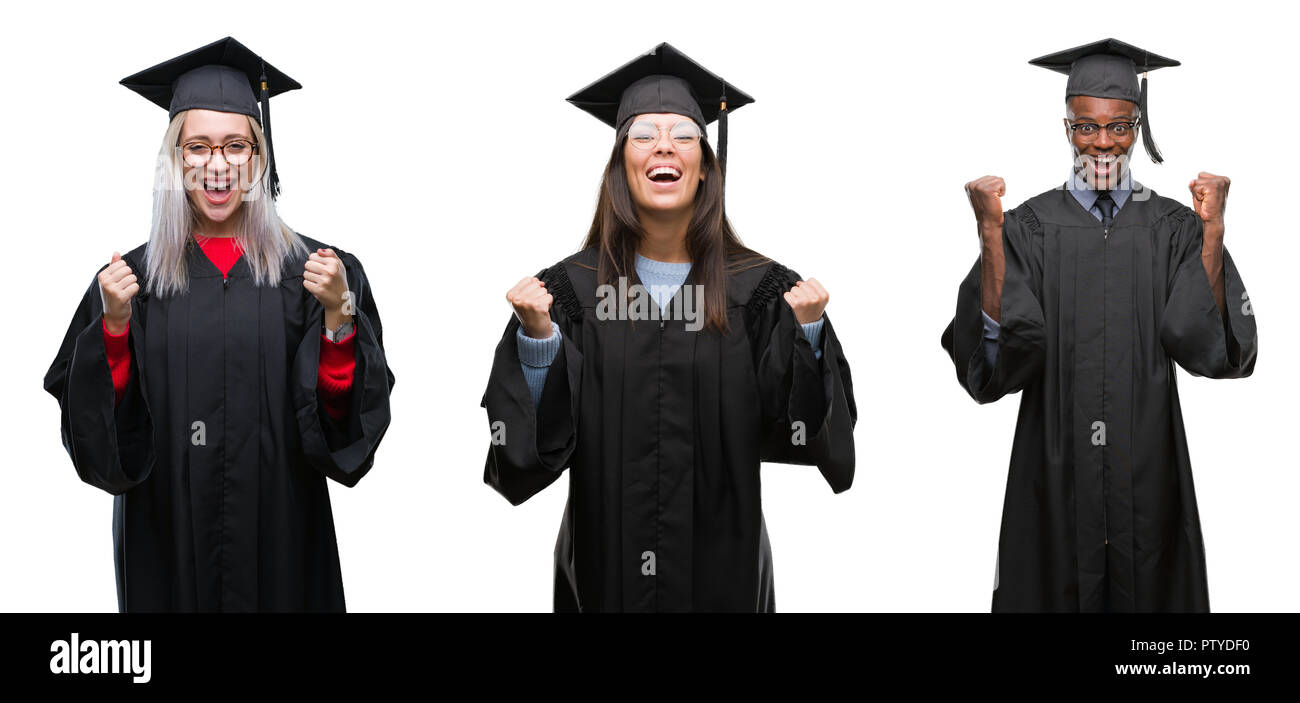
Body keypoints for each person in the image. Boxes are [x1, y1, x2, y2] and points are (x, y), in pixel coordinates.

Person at [482, 43, 857, 612]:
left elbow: (802, 436)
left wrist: (805, 334)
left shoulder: (761, 292)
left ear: (706, 165)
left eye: (684, 134)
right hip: (606, 573)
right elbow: (524, 460)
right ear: (620, 165)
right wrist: (539, 343)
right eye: (643, 134)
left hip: (722, 574)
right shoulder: (569, 294)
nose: (664, 145)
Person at [43, 37, 394, 612]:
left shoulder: (317, 274)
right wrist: (111, 330)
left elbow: (343, 437)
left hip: (283, 547)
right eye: (198, 146)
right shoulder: (130, 282)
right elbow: (102, 446)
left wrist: (339, 318)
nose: (218, 165)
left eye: (236, 146)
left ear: (259, 160)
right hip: (167, 546)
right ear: (175, 158)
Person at [941, 38, 1257, 612]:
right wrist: (990, 237)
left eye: (1120, 127)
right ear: (1067, 128)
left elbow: (1211, 350)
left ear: (1139, 126)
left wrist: (1213, 234)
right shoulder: (1027, 227)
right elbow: (992, 370)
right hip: (1054, 465)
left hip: (1149, 472)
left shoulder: (1173, 228)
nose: (1104, 143)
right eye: (1086, 128)